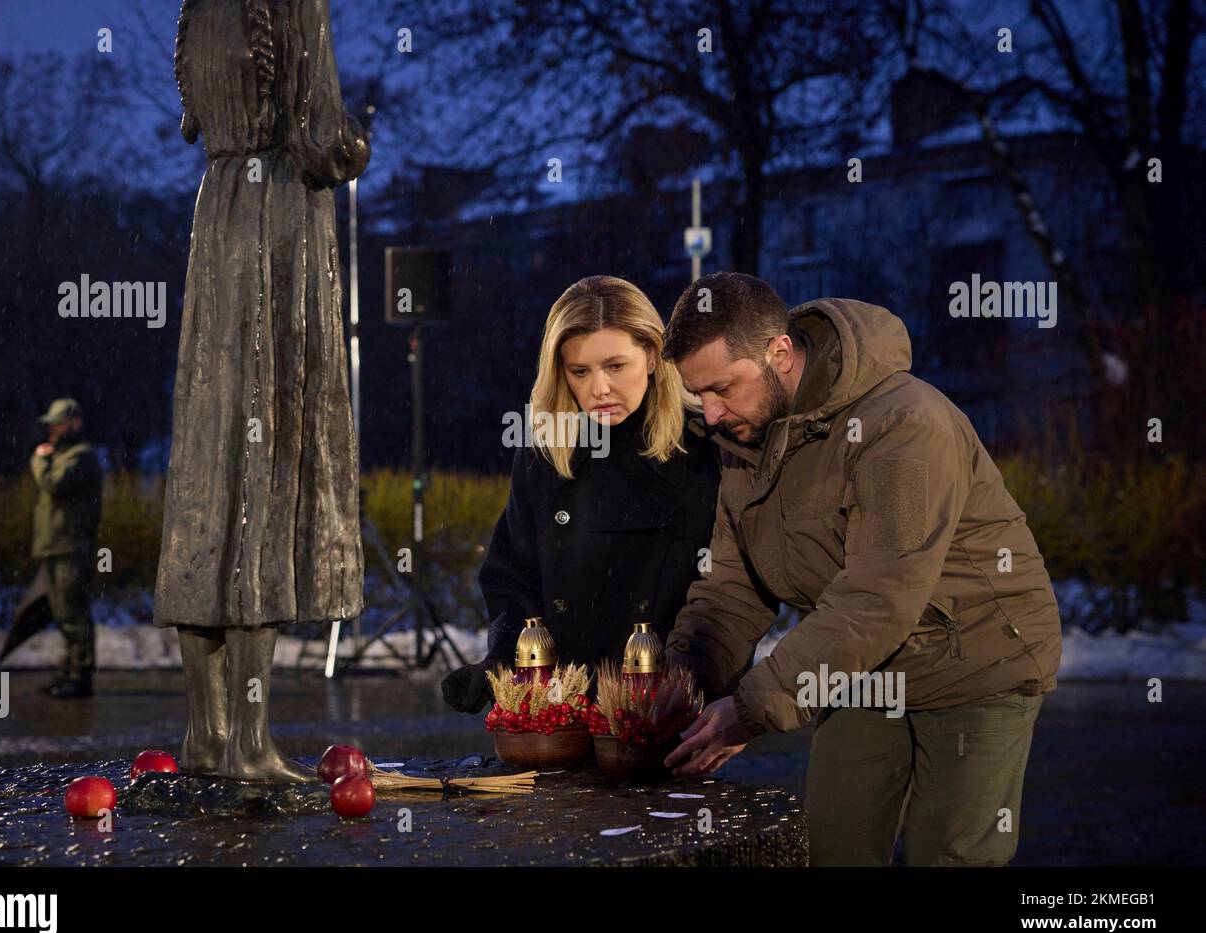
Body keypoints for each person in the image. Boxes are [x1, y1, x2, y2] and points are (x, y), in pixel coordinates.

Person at [660, 272, 1062, 866]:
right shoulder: (747, 441)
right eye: (700, 395)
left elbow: (878, 596)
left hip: (977, 662)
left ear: (779, 352)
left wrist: (748, 710)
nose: (712, 414)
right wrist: (680, 686)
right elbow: (731, 587)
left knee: (947, 854)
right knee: (832, 847)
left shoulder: (903, 425)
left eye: (722, 388)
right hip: (862, 670)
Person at [155, 0, 370, 782]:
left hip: (216, 219)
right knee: (266, 459)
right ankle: (248, 740)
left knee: (210, 463)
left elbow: (194, 122)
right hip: (280, 222)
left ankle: (204, 733)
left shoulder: (198, 8)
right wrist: (357, 148)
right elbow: (321, 138)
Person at [442, 276, 720, 713]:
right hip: (560, 711)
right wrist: (501, 665)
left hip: (669, 708)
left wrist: (699, 689)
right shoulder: (545, 453)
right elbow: (512, 579)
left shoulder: (704, 449)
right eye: (580, 371)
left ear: (651, 355)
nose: (599, 389)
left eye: (615, 366)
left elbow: (726, 590)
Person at [29, 397, 103, 699]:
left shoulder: (81, 456)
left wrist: (39, 459)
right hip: (54, 546)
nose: (53, 429)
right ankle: (68, 670)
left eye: (58, 423)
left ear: (75, 423)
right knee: (61, 612)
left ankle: (80, 676)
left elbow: (53, 484)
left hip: (72, 546)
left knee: (73, 611)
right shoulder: (63, 454)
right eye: (51, 424)